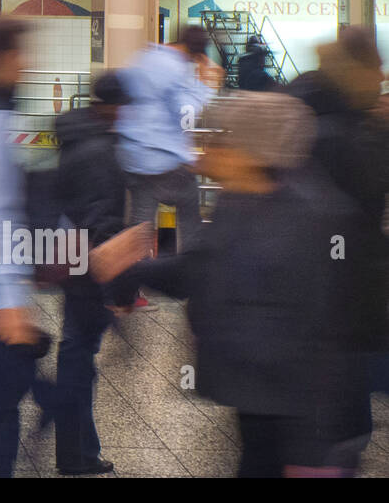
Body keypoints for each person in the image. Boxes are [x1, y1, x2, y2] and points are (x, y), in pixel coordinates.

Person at [99, 92, 365, 477]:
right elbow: (197, 271)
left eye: (221, 138)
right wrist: (132, 265)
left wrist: (312, 450)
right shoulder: (239, 200)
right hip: (256, 399)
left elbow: (326, 342)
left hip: (300, 422)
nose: (205, 152)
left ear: (251, 150)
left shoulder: (314, 220)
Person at [0, 19, 151, 477]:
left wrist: (71, 255)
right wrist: (4, 301)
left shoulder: (1, 115)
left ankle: (64, 434)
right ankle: (66, 439)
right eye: (21, 54)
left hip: (3, 292)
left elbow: (27, 204)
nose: (28, 63)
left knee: (2, 404)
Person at [288, 27, 389, 449]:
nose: (383, 76)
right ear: (358, 70)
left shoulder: (322, 120)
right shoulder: (343, 135)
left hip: (327, 300)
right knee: (339, 422)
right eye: (376, 65)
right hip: (339, 297)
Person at [43, 70, 136, 475]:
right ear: (116, 108)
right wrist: (117, 289)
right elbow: (103, 222)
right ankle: (77, 453)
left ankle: (76, 447)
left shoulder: (77, 137)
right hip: (89, 267)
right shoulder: (100, 151)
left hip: (71, 257)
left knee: (75, 353)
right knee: (80, 357)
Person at [115, 25, 222, 256]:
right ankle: (190, 273)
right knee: (190, 213)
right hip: (162, 160)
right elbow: (186, 116)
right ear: (198, 55)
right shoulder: (177, 68)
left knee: (140, 223)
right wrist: (206, 87)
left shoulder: (146, 56)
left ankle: (133, 280)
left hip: (132, 154)